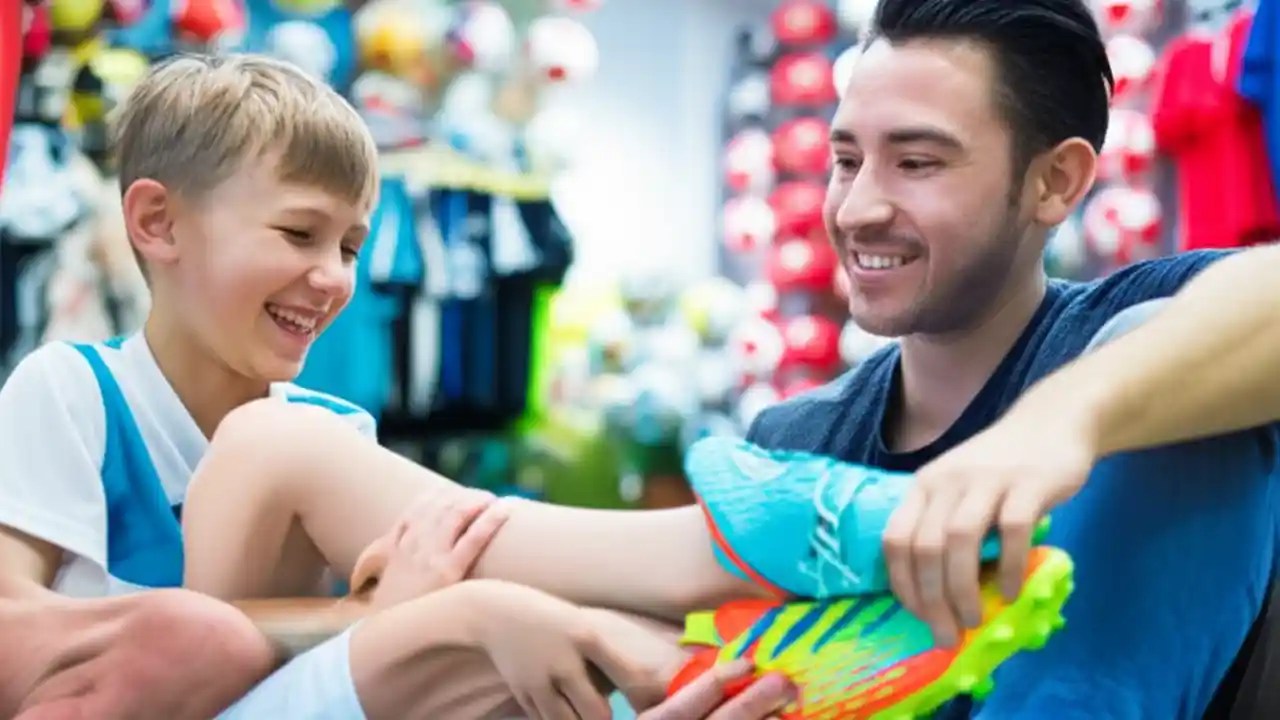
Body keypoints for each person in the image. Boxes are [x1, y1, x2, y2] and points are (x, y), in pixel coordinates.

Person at [186, 0, 1280, 716]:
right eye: (846, 156)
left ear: (1054, 181)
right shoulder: (792, 442)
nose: (857, 206)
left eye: (917, 163)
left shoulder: (1129, 336)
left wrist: (1055, 427)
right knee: (272, 445)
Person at [0, 52, 795, 720]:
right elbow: (18, 640)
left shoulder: (332, 426)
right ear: (159, 223)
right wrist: (354, 620)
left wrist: (389, 626)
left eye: (350, 247)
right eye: (299, 234)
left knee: (529, 641)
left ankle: (715, 616)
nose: (331, 279)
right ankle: (725, 550)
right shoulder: (72, 391)